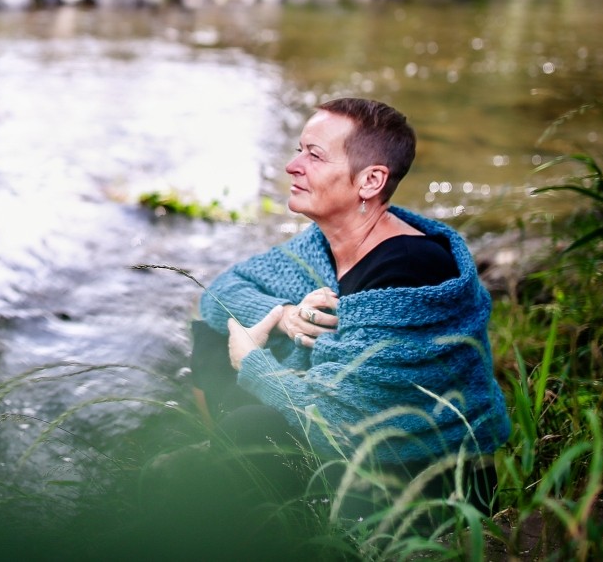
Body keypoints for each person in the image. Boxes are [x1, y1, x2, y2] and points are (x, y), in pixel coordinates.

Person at [192, 97, 510, 514]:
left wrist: (251, 362)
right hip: (358, 443)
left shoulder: (411, 270)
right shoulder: (325, 242)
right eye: (298, 150)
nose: (293, 166)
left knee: (248, 422)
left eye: (315, 155)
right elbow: (220, 290)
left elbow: (335, 424)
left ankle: (242, 501)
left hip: (423, 480)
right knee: (211, 334)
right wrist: (287, 316)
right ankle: (228, 477)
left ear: (370, 181)